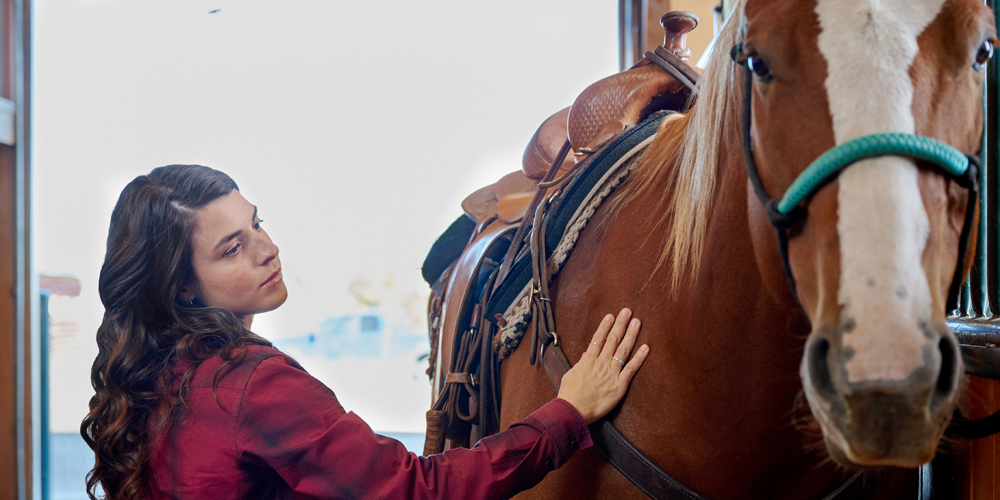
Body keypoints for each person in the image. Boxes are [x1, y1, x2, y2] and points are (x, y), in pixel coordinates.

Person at [81, 164, 649, 500]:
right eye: (232, 248)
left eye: (256, 223)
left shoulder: (157, 372)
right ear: (181, 285)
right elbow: (417, 492)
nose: (267, 249)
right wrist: (567, 411)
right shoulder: (251, 385)